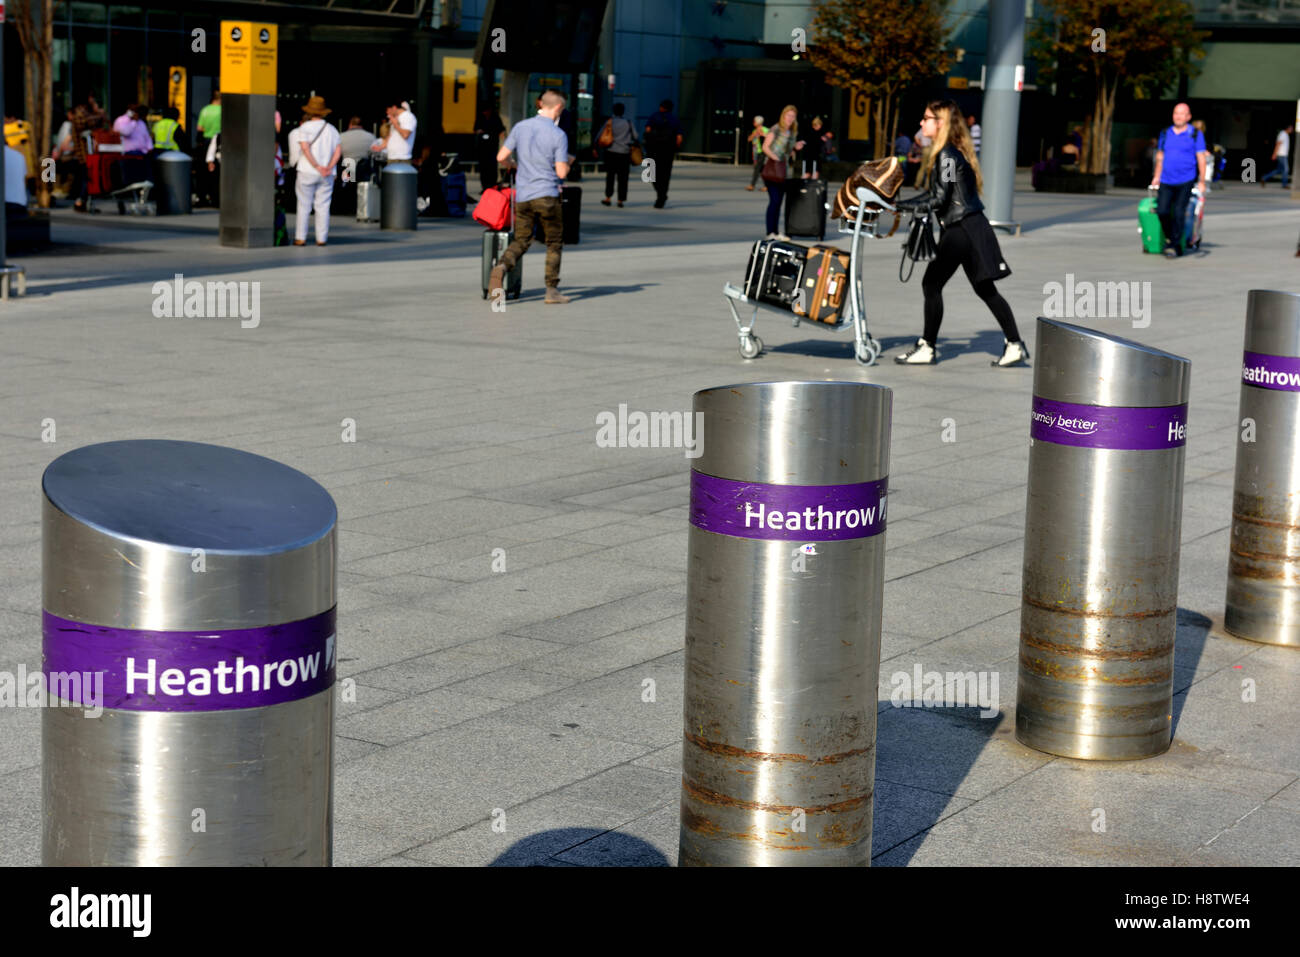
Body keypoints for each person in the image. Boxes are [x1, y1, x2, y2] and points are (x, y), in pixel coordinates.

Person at [893, 100, 1027, 368]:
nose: (922, 123)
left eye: (927, 118)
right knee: (984, 288)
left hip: (961, 229)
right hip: (970, 227)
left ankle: (927, 347)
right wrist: (904, 205)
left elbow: (940, 198)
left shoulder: (946, 156)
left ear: (940, 122)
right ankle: (1015, 345)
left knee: (932, 285)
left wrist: (900, 205)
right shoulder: (951, 154)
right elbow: (942, 194)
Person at [488, 90, 572, 305]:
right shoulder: (558, 134)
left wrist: (515, 166)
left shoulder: (520, 127)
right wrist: (568, 163)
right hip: (547, 195)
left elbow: (501, 157)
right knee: (554, 242)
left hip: (523, 196)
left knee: (522, 240)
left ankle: (501, 267)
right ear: (557, 108)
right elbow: (561, 173)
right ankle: (551, 290)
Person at [1150, 102, 1206, 259]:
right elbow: (1160, 156)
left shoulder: (1195, 134)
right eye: (1176, 113)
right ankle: (1170, 238)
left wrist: (1202, 181)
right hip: (1166, 180)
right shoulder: (1165, 133)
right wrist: (1156, 176)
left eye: (1182, 114)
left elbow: (1201, 158)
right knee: (1162, 211)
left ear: (1188, 117)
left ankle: (1175, 245)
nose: (1178, 116)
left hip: (1185, 180)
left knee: (1180, 213)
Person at [287, 96, 342, 247]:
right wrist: (328, 167)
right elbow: (338, 152)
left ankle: (301, 237)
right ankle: (321, 238)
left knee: (304, 204)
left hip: (307, 170)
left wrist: (316, 166)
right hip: (327, 174)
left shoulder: (304, 128)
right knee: (323, 205)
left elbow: (305, 148)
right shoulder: (332, 130)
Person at [760, 105, 803, 239]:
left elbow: (788, 152)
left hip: (783, 170)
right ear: (783, 116)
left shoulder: (792, 132)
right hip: (772, 169)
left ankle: (776, 232)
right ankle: (770, 232)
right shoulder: (776, 129)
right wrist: (775, 158)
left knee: (779, 202)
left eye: (793, 116)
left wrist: (796, 147)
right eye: (788, 115)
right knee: (774, 200)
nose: (790, 118)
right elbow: (765, 147)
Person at [644, 99, 682, 208]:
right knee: (665, 174)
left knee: (651, 173)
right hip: (668, 150)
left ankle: (660, 193)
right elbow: (679, 138)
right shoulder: (675, 119)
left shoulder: (654, 116)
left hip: (653, 149)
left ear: (661, 107)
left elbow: (647, 130)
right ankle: (662, 195)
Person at [600, 103, 634, 207]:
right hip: (624, 153)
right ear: (623, 111)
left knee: (610, 176)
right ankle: (620, 200)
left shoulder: (609, 122)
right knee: (623, 178)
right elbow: (635, 136)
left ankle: (608, 197)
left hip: (611, 152)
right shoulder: (628, 123)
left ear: (613, 111)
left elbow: (600, 135)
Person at [112, 104, 153, 186]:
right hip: (128, 152)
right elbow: (126, 132)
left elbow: (146, 136)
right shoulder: (121, 120)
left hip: (143, 152)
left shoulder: (141, 122)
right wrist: (133, 121)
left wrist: (150, 147)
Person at [195, 92, 221, 207]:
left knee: (203, 171)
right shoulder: (222, 111)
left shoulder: (204, 110)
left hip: (206, 142)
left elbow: (200, 128)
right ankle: (215, 198)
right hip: (219, 142)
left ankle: (201, 197)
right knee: (217, 173)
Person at [473, 107, 506, 193]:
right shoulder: (480, 118)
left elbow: (501, 129)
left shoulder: (495, 118)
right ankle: (484, 187)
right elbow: (475, 129)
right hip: (482, 147)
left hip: (492, 146)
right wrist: (479, 132)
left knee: (492, 167)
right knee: (483, 168)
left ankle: (492, 186)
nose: (486, 112)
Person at [1261, 123, 1293, 188]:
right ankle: (1284, 184)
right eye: (1291, 128)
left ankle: (1264, 178)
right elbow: (1278, 144)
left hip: (1283, 155)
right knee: (1286, 169)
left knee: (1279, 170)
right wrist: (1274, 154)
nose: (1292, 130)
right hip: (1281, 155)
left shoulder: (1286, 135)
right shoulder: (1283, 134)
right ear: (1288, 128)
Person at [745, 115, 768, 191]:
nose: (753, 122)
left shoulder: (765, 129)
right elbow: (749, 139)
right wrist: (754, 134)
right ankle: (767, 186)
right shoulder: (754, 131)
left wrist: (762, 134)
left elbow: (771, 138)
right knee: (761, 170)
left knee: (757, 169)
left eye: (754, 121)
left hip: (763, 152)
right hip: (756, 152)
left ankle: (752, 185)